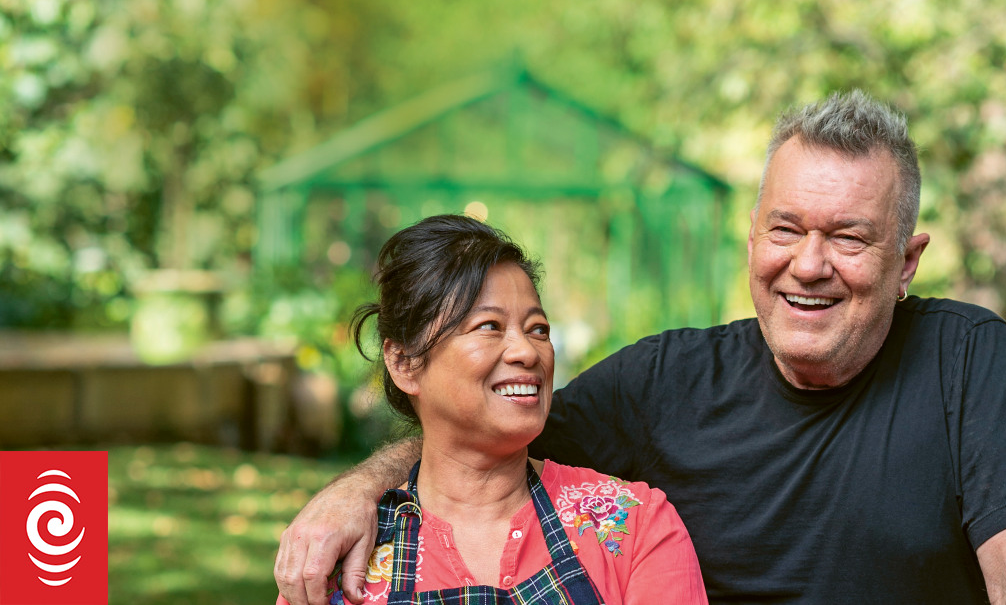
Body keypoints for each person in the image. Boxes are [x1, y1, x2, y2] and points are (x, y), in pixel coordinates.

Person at [275, 91, 1006, 604]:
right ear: (752, 238)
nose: (808, 265)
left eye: (849, 238)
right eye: (786, 229)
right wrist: (357, 489)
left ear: (906, 262)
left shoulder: (965, 358)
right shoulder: (666, 381)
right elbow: (481, 430)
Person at [276, 215, 706, 605]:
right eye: (489, 326)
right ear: (404, 363)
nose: (528, 351)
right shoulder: (337, 557)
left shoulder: (634, 524)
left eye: (538, 329)